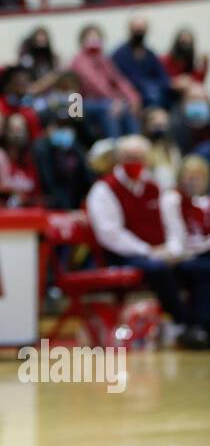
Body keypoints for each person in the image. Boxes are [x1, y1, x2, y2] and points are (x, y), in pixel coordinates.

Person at [86, 136, 210, 347]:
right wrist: (147, 250)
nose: (135, 162)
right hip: (122, 255)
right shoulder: (104, 189)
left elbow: (171, 222)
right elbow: (110, 234)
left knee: (200, 268)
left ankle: (201, 326)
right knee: (158, 268)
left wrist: (173, 250)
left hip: (160, 253)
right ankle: (182, 322)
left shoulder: (155, 186)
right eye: (129, 157)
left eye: (140, 157)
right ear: (118, 158)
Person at [71, 23, 141, 140]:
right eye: (90, 37)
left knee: (128, 108)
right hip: (81, 103)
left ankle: (135, 143)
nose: (94, 40)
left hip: (106, 100)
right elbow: (95, 84)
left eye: (96, 37)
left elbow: (119, 80)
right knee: (110, 109)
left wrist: (133, 98)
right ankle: (114, 145)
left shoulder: (104, 59)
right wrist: (115, 100)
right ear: (82, 41)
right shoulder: (79, 60)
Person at [112, 20, 171, 109]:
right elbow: (117, 79)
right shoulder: (119, 54)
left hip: (152, 94)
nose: (139, 33)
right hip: (128, 95)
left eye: (141, 30)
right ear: (130, 30)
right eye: (136, 29)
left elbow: (163, 77)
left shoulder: (150, 54)